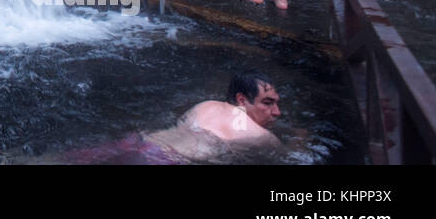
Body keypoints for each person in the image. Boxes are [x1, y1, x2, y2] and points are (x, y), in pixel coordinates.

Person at [64, 72, 283, 164]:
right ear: (242, 100)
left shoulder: (205, 105)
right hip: (164, 161)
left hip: (139, 141)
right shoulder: (262, 136)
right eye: (268, 102)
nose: (276, 112)